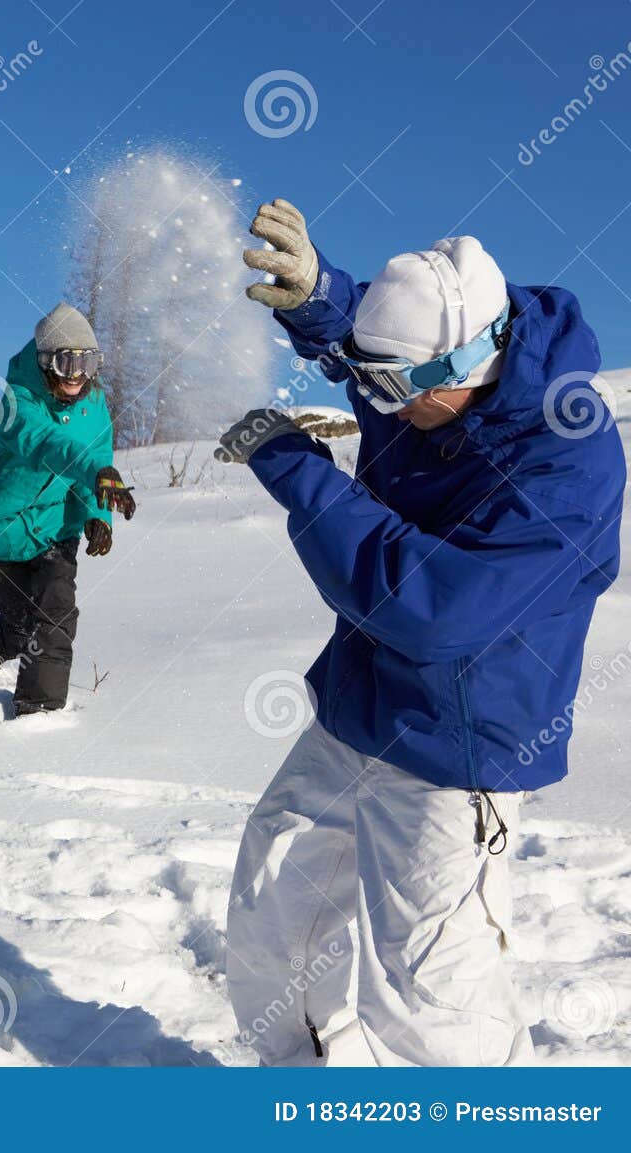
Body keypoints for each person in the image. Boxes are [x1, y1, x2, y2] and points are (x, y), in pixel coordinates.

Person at [220, 199, 624, 1065]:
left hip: (455, 746)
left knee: (431, 995)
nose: (376, 407)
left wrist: (300, 474)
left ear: (469, 365)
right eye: (367, 383)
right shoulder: (423, 385)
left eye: (393, 389)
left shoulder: (569, 463)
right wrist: (316, 296)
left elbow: (432, 610)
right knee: (272, 912)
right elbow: (379, 348)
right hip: (357, 709)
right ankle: (303, 1082)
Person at [0, 303, 136, 716]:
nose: (75, 373)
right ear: (44, 361)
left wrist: (98, 514)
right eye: (65, 360)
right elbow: (48, 446)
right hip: (6, 530)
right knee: (22, 631)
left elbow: (98, 455)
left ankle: (38, 713)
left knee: (55, 617)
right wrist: (96, 469)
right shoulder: (16, 402)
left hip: (58, 529)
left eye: (86, 361)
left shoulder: (94, 406)